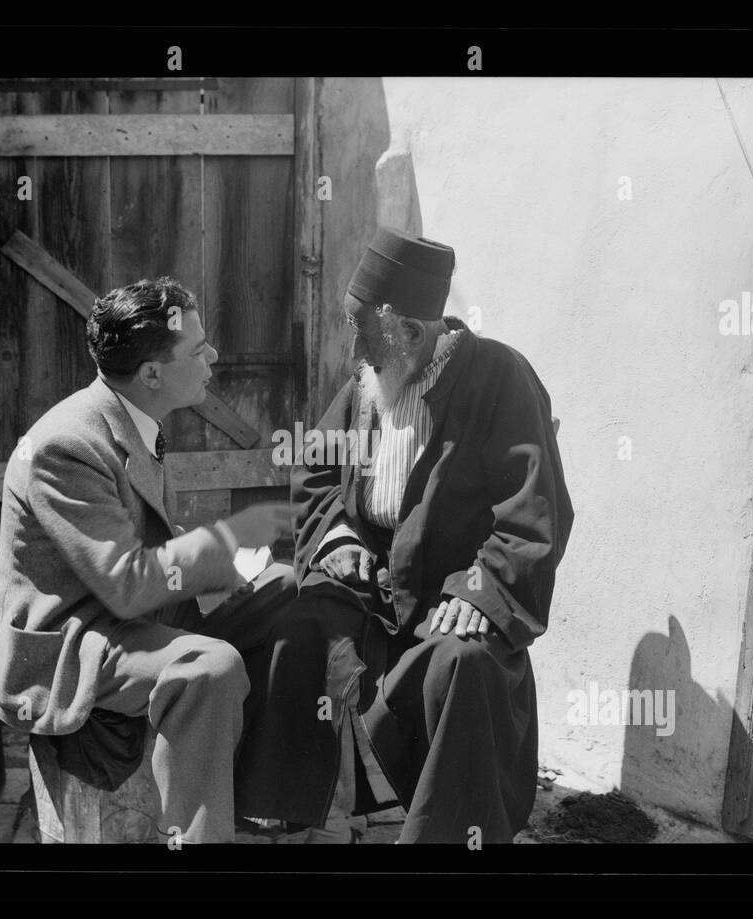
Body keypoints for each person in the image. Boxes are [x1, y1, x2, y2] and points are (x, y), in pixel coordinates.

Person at [235, 228, 575, 843]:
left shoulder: (500, 377)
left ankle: (445, 834)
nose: (355, 349)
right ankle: (283, 812)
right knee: (293, 621)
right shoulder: (370, 381)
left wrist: (479, 592)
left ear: (411, 333)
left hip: (451, 589)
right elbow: (315, 468)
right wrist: (337, 538)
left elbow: (536, 506)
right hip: (372, 582)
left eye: (363, 331)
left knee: (462, 664)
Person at [0, 276, 295, 844]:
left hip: (122, 612)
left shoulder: (130, 419)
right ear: (151, 374)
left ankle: (257, 796)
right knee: (209, 667)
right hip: (75, 636)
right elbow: (125, 583)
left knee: (287, 589)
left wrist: (237, 566)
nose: (214, 357)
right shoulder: (66, 446)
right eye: (198, 350)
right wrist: (226, 547)